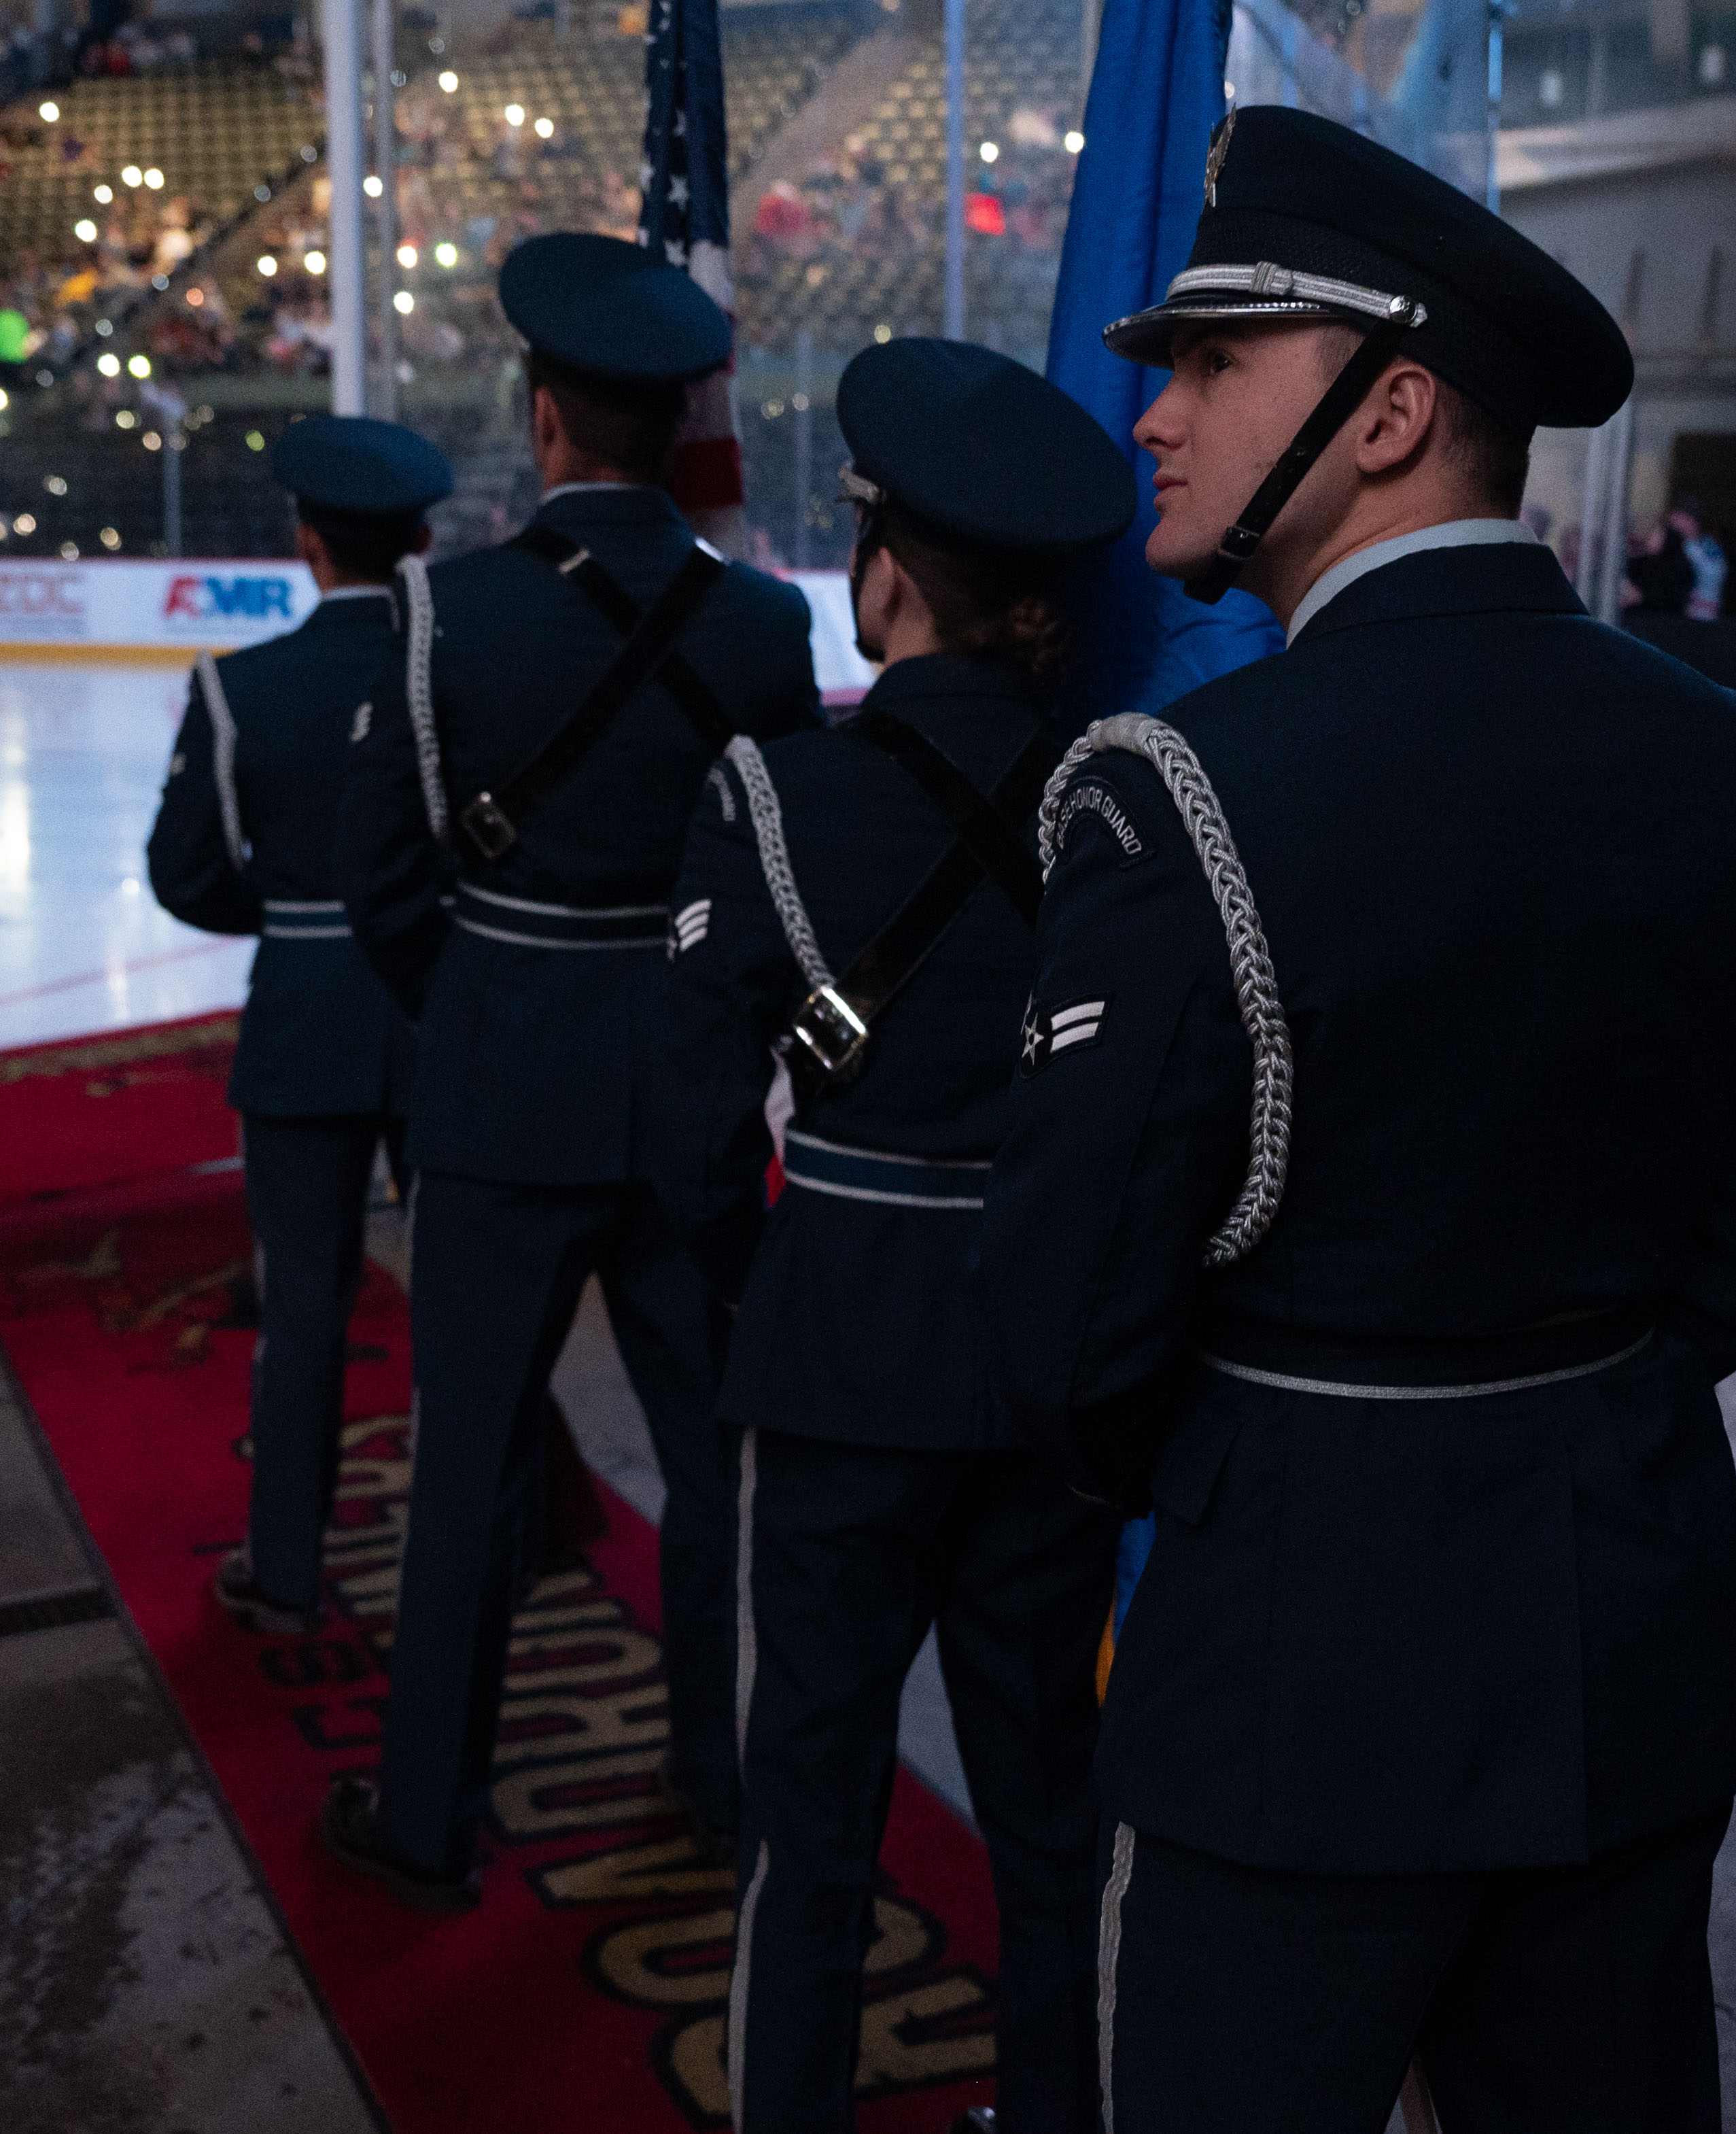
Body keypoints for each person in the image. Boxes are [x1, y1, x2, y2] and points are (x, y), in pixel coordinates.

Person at [972, 105, 1736, 2133]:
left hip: (1297, 1687)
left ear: (1388, 412)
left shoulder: (1184, 790)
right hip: (1621, 1642)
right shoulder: (1731, 759)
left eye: (1212, 362)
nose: (1152, 417)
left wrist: (1285, 1464)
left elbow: (1061, 1341)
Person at [653, 339, 1132, 2134]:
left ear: (887, 574)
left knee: (809, 1819)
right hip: (1051, 1369)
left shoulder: (774, 796)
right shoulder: (1127, 806)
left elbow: (690, 1134)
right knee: (1052, 1815)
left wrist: (762, 1295)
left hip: (840, 1352)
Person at [326, 231, 822, 1912]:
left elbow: (385, 884)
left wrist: (484, 1004)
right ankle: (716, 1780)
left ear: (541, 415)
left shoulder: (442, 612)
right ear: (680, 428)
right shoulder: (762, 625)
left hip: (500, 1085)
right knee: (712, 1470)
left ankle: (429, 1814)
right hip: (688, 1091)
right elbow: (782, 877)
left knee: (467, 1465)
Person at [145, 414, 446, 1638]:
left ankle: (284, 1570)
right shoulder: (455, 675)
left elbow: (185, 872)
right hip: (440, 1011)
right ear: (422, 540)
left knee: (305, 1310)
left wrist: (292, 915)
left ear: (305, 543)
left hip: (305, 1018)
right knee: (471, 1308)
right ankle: (497, 1542)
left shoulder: (240, 687)